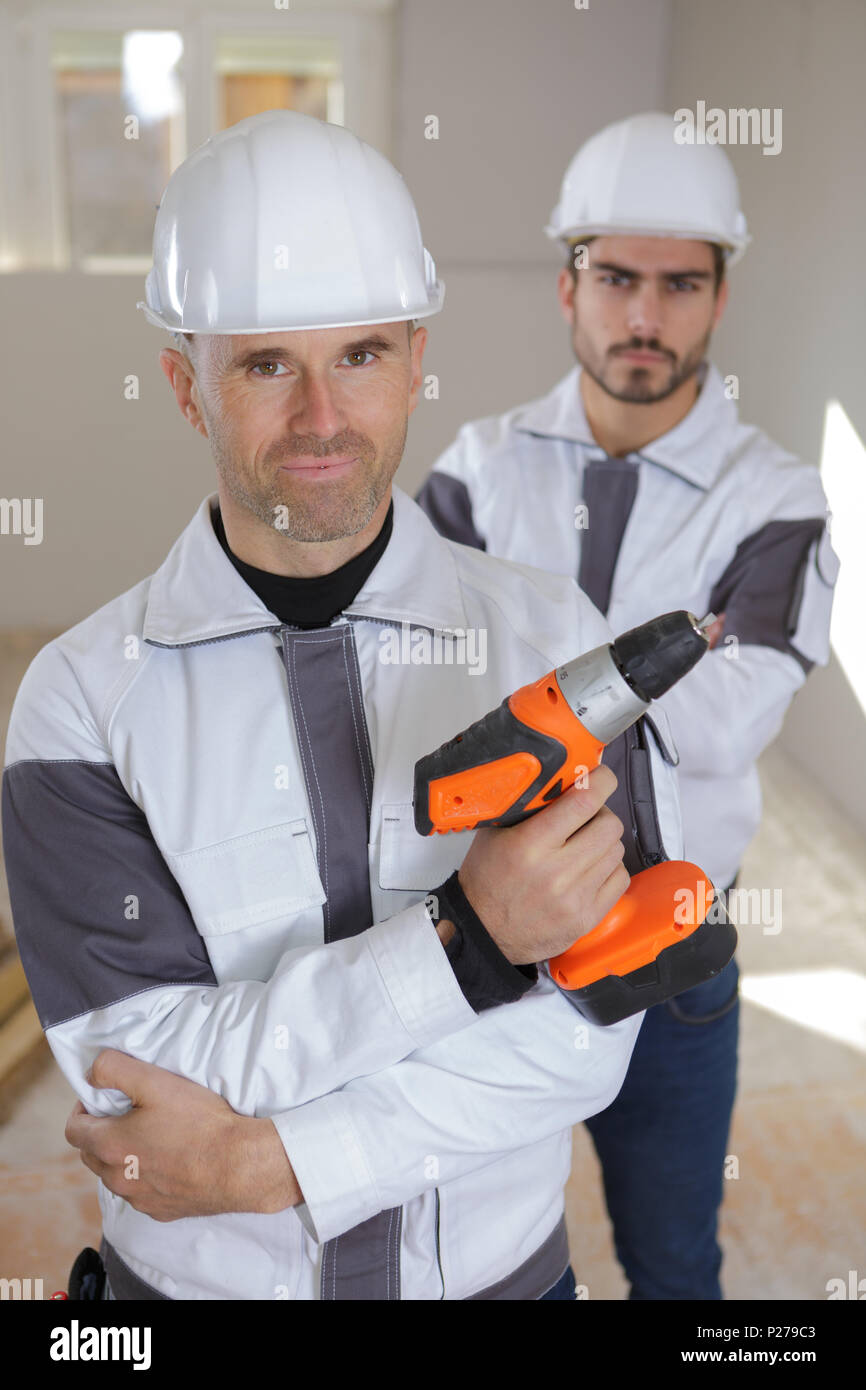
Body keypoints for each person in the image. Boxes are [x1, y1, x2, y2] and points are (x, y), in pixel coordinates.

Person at [1, 109, 687, 1301]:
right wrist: (467, 944)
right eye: (267, 364)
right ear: (184, 384)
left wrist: (273, 1163)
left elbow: (588, 1034)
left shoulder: (552, 644)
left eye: (361, 354)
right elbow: (135, 1073)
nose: (321, 418)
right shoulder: (76, 703)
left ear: (418, 359)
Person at [416, 111, 840, 1300]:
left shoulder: (775, 499)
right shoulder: (476, 467)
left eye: (678, 284)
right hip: (496, 943)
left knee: (671, 1264)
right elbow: (422, 696)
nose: (643, 318)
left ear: (718, 295)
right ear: (566, 285)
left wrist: (533, 680)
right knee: (486, 1265)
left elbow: (719, 724)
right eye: (614, 278)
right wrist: (668, 647)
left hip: (671, 965)